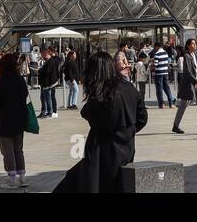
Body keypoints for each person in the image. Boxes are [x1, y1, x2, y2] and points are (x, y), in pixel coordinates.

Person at [53, 51, 148, 193]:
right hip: (126, 148)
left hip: (102, 151)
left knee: (83, 183)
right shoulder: (129, 88)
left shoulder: (102, 91)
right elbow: (142, 117)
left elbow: (87, 113)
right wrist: (128, 130)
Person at [0, 52, 31, 189]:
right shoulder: (20, 79)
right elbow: (25, 95)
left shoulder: (1, 80)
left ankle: (11, 178)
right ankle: (22, 178)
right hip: (20, 118)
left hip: (5, 119)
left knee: (7, 150)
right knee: (18, 149)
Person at [37, 47, 61, 118]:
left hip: (48, 83)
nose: (43, 56)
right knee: (45, 97)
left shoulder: (51, 61)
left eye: (44, 54)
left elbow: (47, 72)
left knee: (48, 98)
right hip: (46, 83)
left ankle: (50, 112)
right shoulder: (48, 61)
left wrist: (40, 70)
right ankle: (46, 111)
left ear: (47, 54)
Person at [149, 43, 174, 109]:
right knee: (167, 88)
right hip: (165, 73)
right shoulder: (166, 53)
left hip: (158, 73)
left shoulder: (157, 54)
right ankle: (170, 103)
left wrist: (152, 64)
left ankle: (161, 104)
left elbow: (156, 64)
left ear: (157, 47)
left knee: (159, 89)